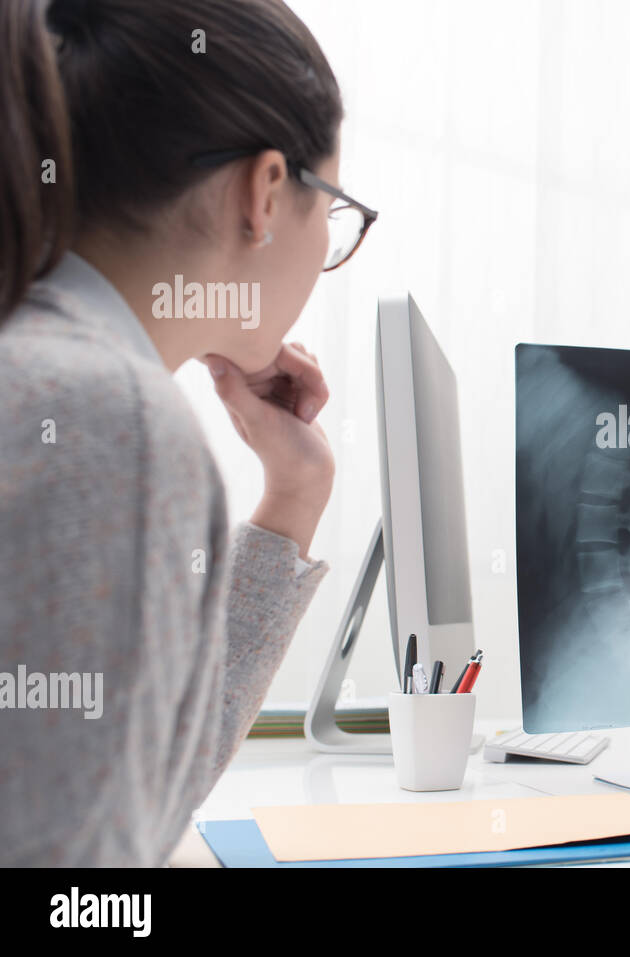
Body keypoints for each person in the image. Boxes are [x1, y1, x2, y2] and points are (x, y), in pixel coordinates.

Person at [0, 0, 374, 865]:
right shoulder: (108, 420)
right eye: (336, 212)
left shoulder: (55, 368)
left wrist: (293, 498)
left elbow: (130, 790)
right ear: (266, 191)